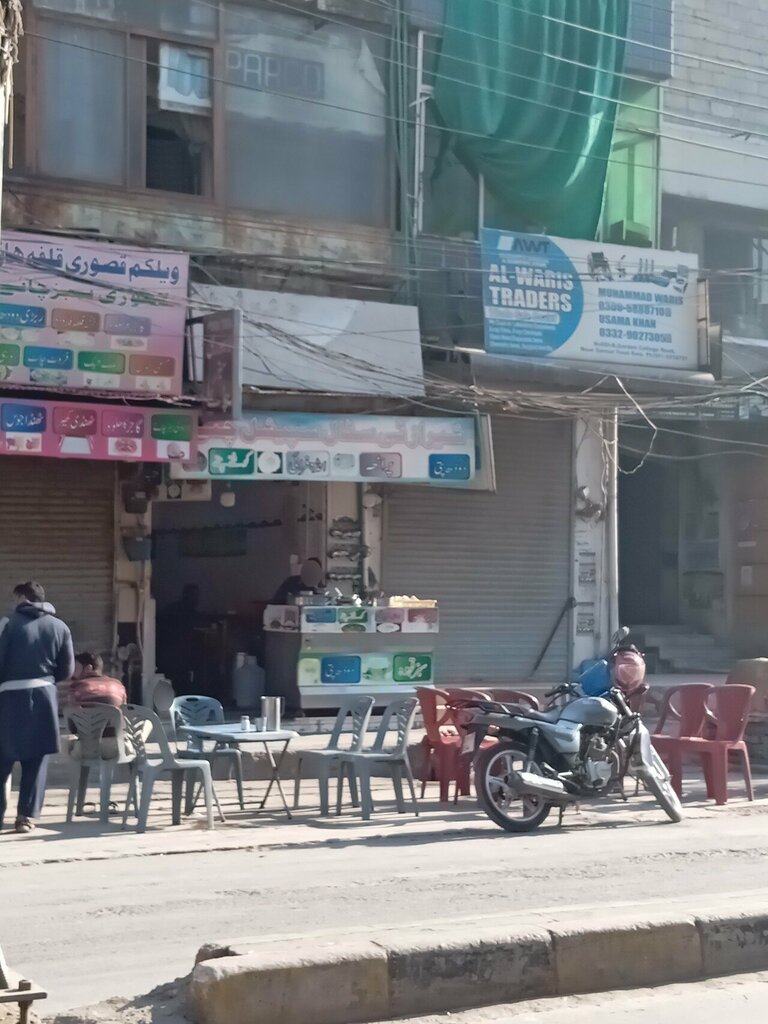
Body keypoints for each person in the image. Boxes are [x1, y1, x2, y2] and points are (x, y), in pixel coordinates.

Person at [0, 581, 74, 834]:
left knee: (2, 758)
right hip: (45, 697)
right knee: (36, 759)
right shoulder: (60, 627)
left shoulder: (7, 624)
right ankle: (26, 818)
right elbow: (67, 670)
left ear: (21, 597)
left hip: (9, 698)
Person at [62, 652, 127, 708]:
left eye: (75, 668)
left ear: (88, 668)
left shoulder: (77, 686)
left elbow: (72, 712)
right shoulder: (118, 685)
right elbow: (125, 710)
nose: (72, 672)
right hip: (115, 721)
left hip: (87, 721)